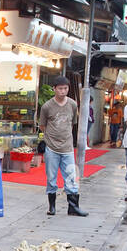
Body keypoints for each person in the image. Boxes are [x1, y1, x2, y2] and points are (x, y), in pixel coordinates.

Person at [39, 75, 87, 217]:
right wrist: (51, 138)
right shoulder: (47, 106)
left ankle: (73, 207)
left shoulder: (72, 104)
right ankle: (52, 206)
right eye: (60, 88)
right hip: (51, 147)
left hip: (67, 147)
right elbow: (42, 125)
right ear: (54, 89)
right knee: (51, 177)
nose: (63, 91)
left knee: (71, 177)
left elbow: (72, 123)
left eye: (65, 88)